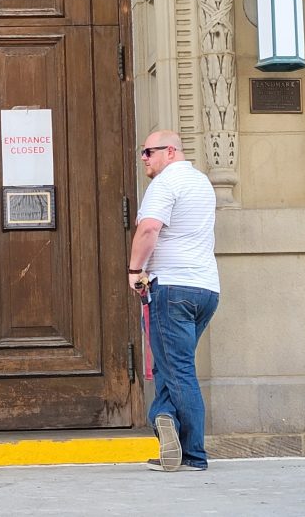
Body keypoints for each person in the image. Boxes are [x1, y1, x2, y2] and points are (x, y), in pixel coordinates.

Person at [127, 130, 220, 472]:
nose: (144, 159)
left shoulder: (165, 184)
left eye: (148, 152)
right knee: (172, 364)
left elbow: (149, 229)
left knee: (178, 368)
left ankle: (192, 451)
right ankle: (169, 424)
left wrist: (134, 270)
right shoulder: (203, 183)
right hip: (206, 290)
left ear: (169, 151)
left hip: (172, 288)